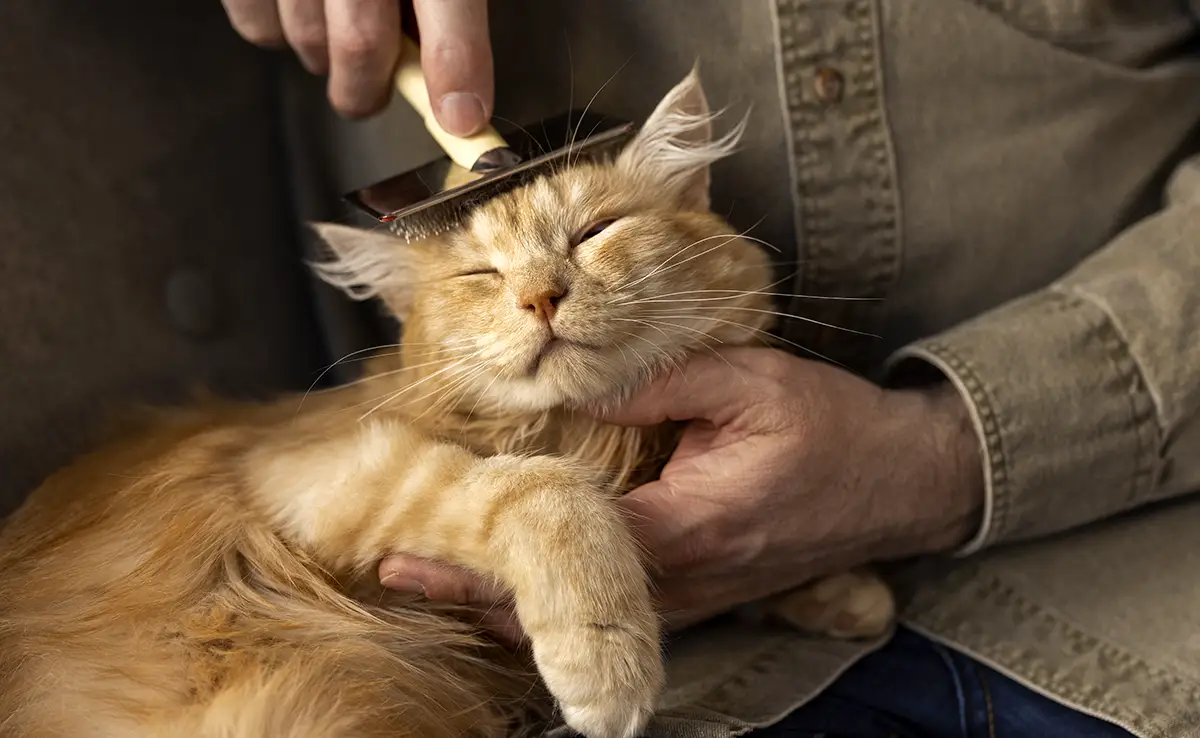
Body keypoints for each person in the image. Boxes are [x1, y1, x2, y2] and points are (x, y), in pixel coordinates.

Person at [3, 2, 1198, 737]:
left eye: (596, 234)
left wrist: (935, 452)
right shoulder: (398, 423)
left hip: (1120, 601)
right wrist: (540, 514)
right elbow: (316, 493)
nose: (537, 291)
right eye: (479, 280)